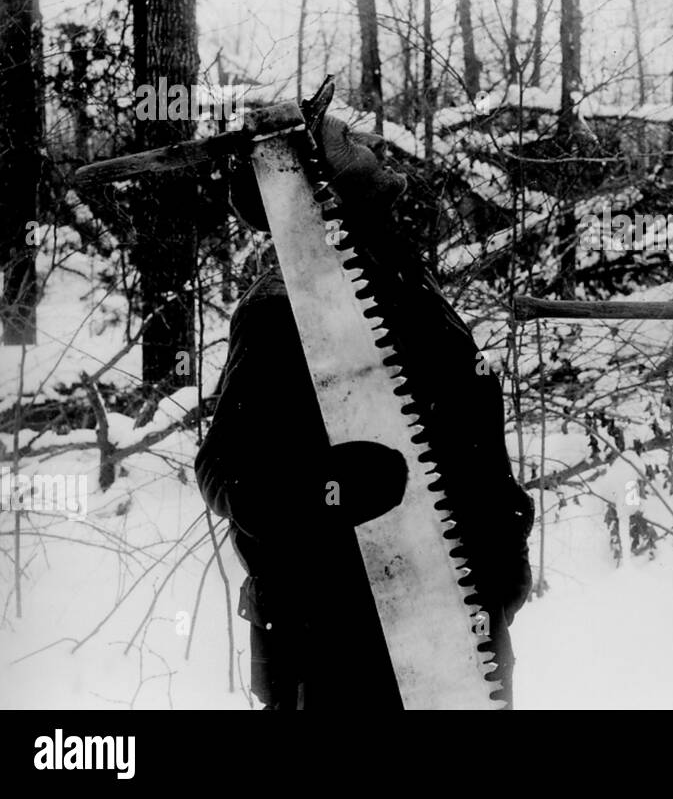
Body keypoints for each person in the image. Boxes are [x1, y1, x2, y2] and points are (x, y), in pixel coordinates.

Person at [196, 99, 534, 709]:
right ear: (316, 178)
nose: (373, 142)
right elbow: (225, 473)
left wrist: (505, 557)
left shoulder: (405, 279)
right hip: (340, 648)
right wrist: (329, 490)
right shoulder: (279, 307)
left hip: (457, 627)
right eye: (348, 137)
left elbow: (475, 436)